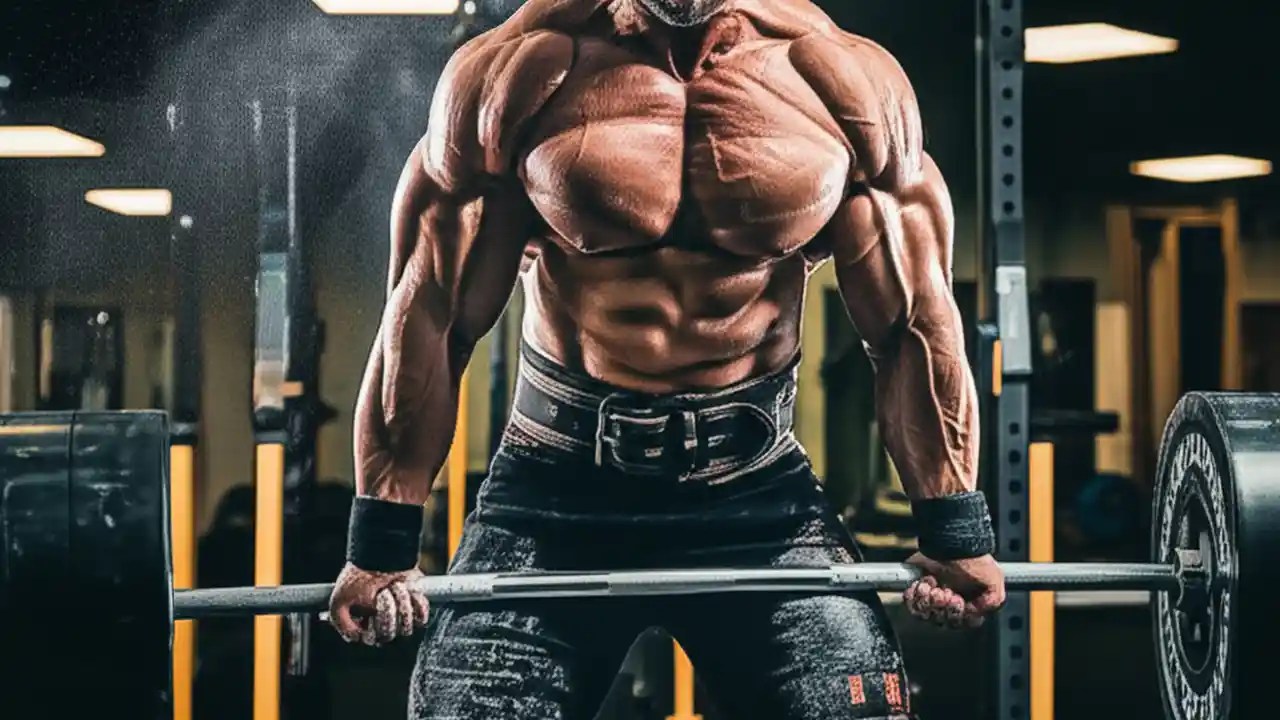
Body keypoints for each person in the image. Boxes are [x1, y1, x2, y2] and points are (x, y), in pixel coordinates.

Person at [328, 0, 1007, 717]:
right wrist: (382, 542)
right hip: (553, 496)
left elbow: (910, 325)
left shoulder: (839, 81)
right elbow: (430, 313)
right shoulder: (519, 69)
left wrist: (953, 530)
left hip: (758, 498)